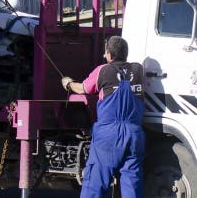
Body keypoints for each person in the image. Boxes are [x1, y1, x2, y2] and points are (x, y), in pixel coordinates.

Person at [61, 35, 145, 198]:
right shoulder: (138, 70)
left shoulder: (103, 70)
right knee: (132, 184)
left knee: (95, 183)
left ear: (109, 55)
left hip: (109, 134)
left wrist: (68, 84)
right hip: (134, 134)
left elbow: (83, 88)